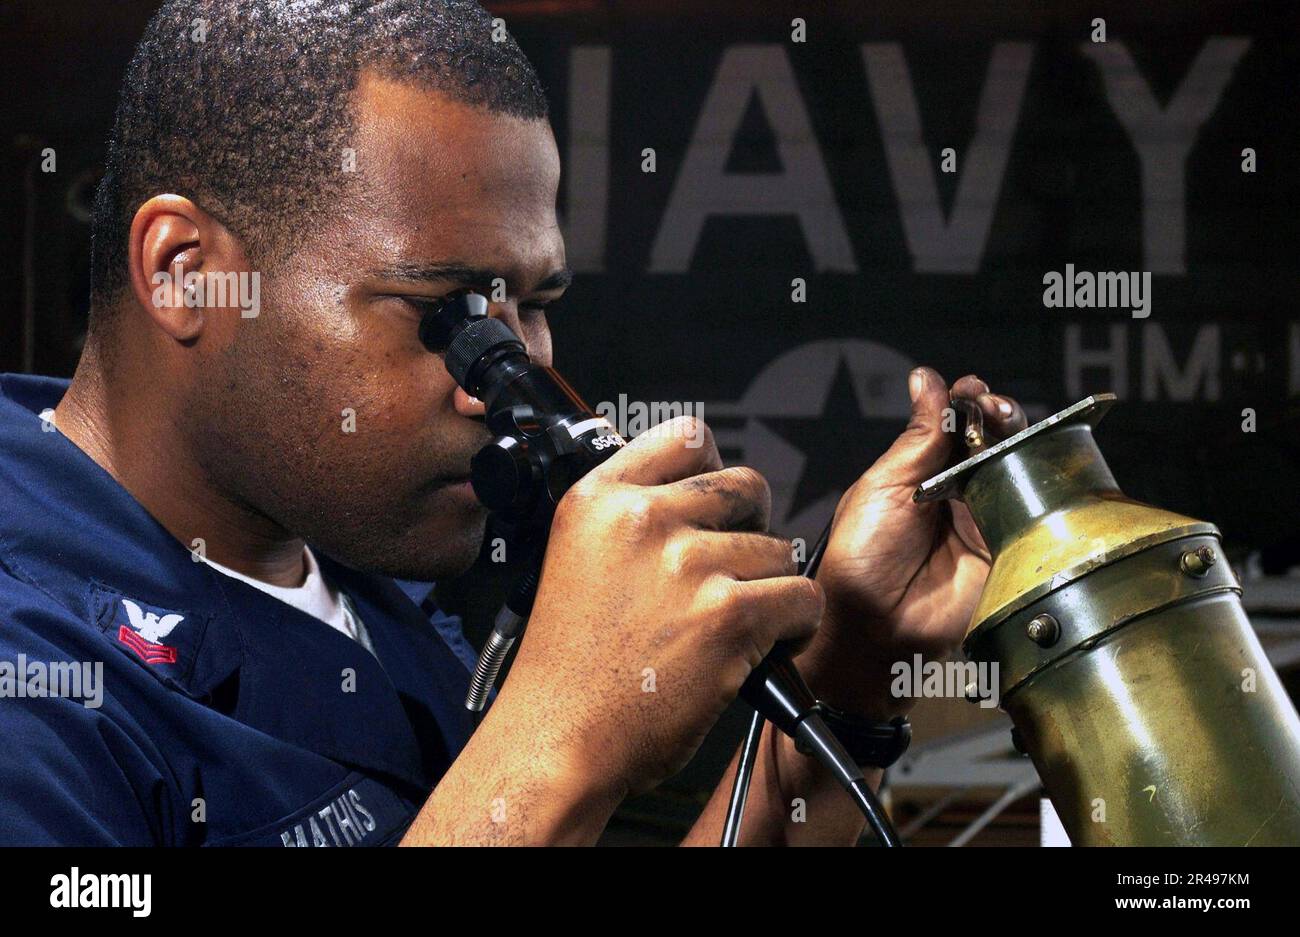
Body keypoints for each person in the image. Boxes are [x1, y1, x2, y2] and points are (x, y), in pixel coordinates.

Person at [0, 0, 1026, 845]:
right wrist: (557, 735)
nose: (516, 370)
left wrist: (840, 678)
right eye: (441, 307)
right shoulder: (33, 680)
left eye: (531, 305)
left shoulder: (358, 565)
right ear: (190, 276)